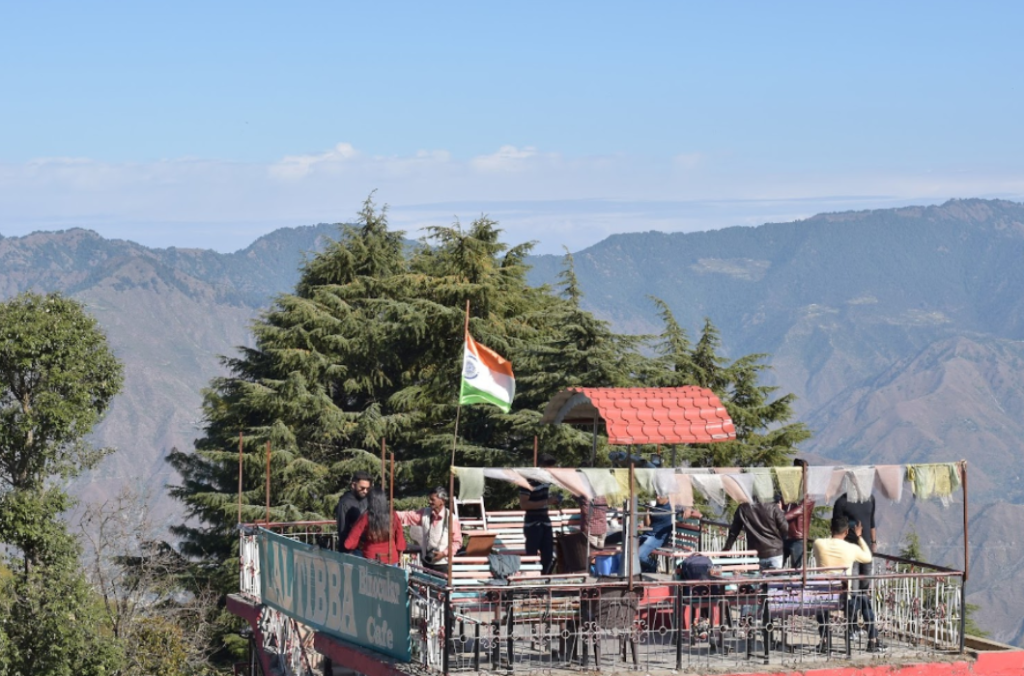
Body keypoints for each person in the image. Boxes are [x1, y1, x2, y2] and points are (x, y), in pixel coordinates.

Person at [811, 515, 884, 653]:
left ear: (831, 529)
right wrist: (859, 537)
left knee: (823, 605)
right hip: (844, 599)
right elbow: (868, 557)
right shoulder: (851, 548)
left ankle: (825, 640)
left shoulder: (818, 543)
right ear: (846, 532)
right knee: (863, 599)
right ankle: (872, 640)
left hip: (823, 597)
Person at [833, 492, 879, 649]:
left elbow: (871, 523)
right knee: (853, 592)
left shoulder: (870, 498)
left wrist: (873, 542)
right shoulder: (842, 502)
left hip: (865, 552)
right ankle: (862, 632)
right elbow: (836, 527)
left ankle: (856, 627)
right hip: (849, 552)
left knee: (862, 592)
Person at [396, 486, 462, 569]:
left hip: (443, 564)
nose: (429, 502)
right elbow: (408, 516)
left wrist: (444, 553)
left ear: (442, 501)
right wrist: (391, 514)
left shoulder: (451, 519)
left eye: (432, 499)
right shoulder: (425, 513)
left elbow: (457, 542)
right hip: (427, 562)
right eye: (429, 499)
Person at [343, 487, 406, 565]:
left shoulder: (366, 516)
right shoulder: (393, 514)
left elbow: (353, 537)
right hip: (391, 557)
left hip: (371, 557)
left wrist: (349, 547)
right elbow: (399, 537)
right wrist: (400, 553)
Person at [639, 495, 701, 573]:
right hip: (647, 535)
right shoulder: (655, 506)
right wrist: (647, 510)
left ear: (666, 497)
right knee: (627, 549)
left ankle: (653, 565)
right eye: (656, 495)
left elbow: (691, 509)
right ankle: (645, 568)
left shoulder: (673, 506)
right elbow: (647, 525)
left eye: (660, 496)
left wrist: (688, 509)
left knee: (639, 555)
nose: (657, 497)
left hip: (658, 538)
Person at [520, 453, 559, 574]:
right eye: (549, 468)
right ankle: (530, 581)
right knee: (531, 555)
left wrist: (553, 500)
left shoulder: (547, 481)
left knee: (548, 554)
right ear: (542, 466)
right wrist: (547, 501)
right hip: (532, 522)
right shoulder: (528, 481)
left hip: (545, 521)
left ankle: (545, 580)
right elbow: (524, 505)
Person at [722, 499, 788, 570]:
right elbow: (785, 529)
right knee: (774, 579)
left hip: (754, 552)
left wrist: (727, 548)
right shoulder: (774, 507)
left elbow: (734, 531)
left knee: (756, 578)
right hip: (775, 551)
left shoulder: (743, 508)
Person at [783, 459, 815, 569]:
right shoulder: (790, 489)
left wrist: (781, 517)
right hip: (785, 534)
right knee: (776, 568)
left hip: (797, 536)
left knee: (796, 569)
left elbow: (801, 509)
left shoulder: (809, 492)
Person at [335, 471, 372, 552]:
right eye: (362, 488)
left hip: (366, 548)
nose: (365, 491)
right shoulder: (345, 503)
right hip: (351, 549)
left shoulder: (368, 499)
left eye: (367, 489)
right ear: (353, 485)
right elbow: (342, 529)